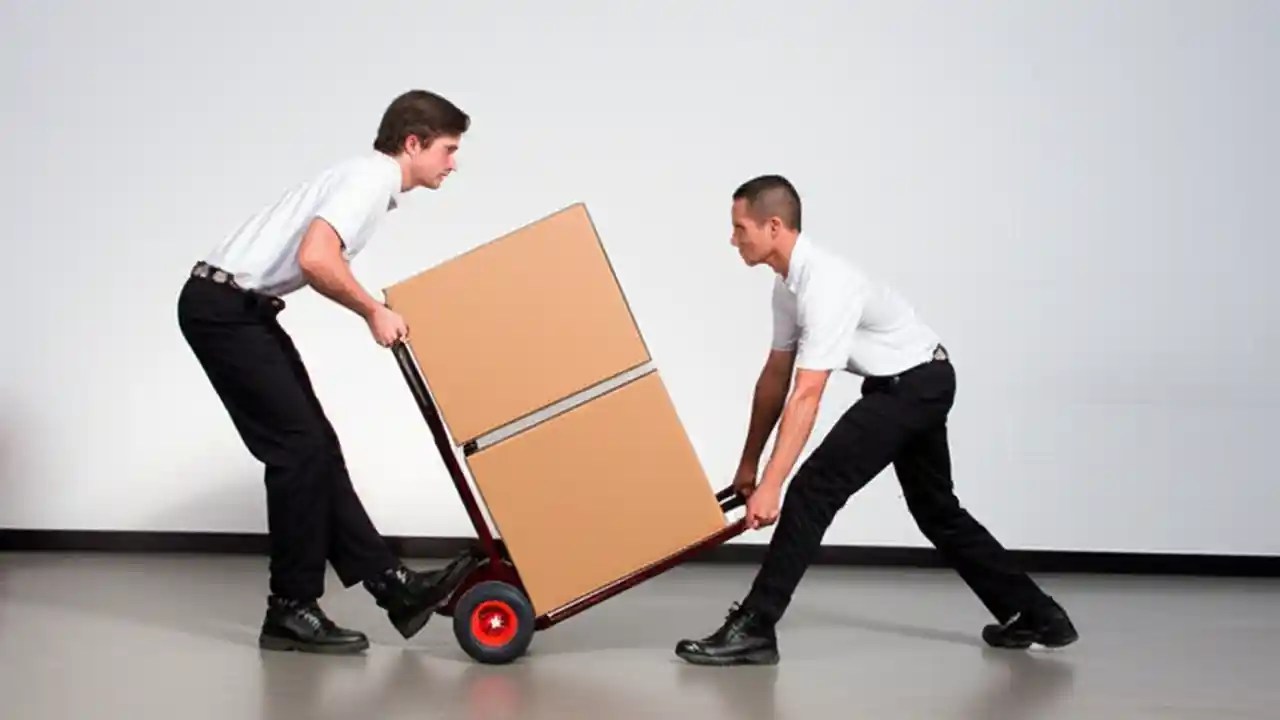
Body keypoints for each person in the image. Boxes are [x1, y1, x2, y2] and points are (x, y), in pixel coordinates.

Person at [675, 175, 1078, 665]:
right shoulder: (788, 290)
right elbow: (775, 380)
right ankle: (1039, 616)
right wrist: (748, 466)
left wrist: (774, 484)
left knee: (811, 490)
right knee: (937, 511)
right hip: (909, 382)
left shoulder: (826, 284)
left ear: (774, 225)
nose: (733, 239)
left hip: (916, 385)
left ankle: (756, 627)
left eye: (740, 228)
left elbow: (807, 394)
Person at [177, 89, 478, 654]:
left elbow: (310, 255)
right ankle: (290, 608)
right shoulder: (369, 181)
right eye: (447, 149)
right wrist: (373, 310)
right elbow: (317, 259)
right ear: (412, 144)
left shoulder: (364, 178)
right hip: (224, 311)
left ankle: (392, 585)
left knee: (313, 445)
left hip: (238, 309)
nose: (453, 163)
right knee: (297, 451)